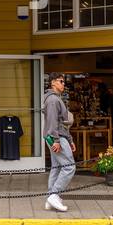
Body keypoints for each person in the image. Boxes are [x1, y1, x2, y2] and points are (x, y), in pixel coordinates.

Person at [42, 72, 74, 212]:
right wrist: (57, 140)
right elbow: (53, 122)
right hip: (57, 137)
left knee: (56, 167)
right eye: (61, 81)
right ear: (53, 82)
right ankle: (54, 195)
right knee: (69, 167)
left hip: (58, 137)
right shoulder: (53, 100)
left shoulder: (54, 99)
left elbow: (61, 123)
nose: (63, 83)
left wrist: (69, 139)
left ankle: (51, 197)